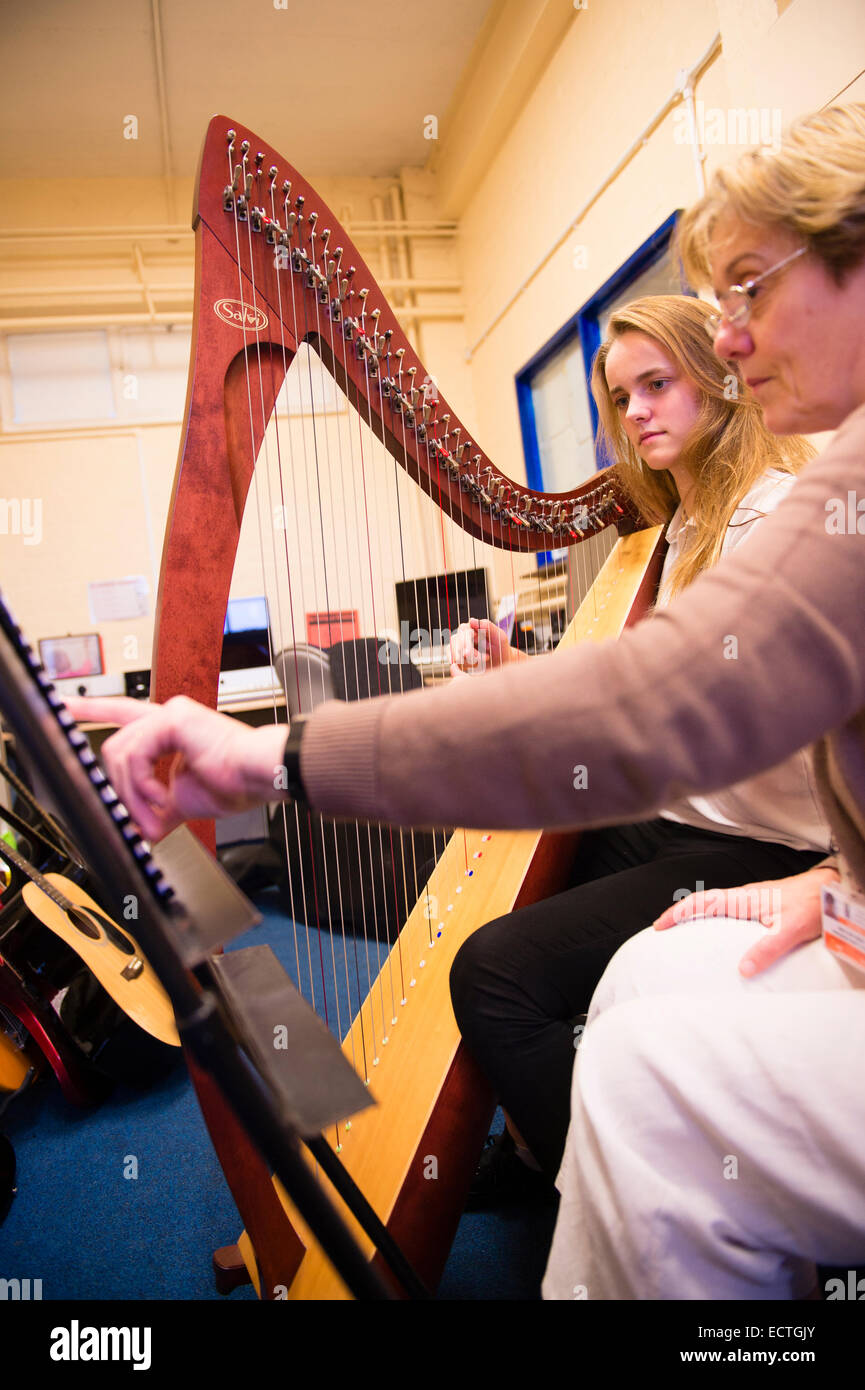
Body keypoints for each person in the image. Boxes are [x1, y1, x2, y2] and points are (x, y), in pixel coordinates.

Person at [69, 102, 865, 1299]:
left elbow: (658, 702)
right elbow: (651, 686)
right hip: (745, 845)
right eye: (717, 309)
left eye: (748, 289)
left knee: (511, 976)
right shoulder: (720, 516)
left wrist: (272, 753)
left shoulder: (802, 504)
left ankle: (587, 1172)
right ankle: (561, 1154)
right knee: (542, 948)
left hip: (733, 835)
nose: (735, 339)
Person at [444, 294, 827, 1199]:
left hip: (755, 844)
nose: (637, 412)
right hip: (677, 818)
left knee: (493, 972)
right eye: (621, 398)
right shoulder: (680, 527)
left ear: (722, 382)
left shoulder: (766, 524)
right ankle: (546, 1141)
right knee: (491, 888)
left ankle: (624, 1211)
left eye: (657, 385)